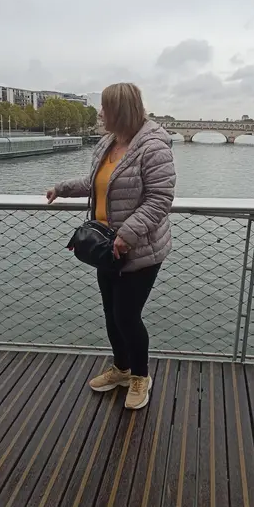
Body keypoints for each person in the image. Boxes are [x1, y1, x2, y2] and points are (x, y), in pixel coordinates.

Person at [47, 82, 176, 410]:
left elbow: (160, 198)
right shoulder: (108, 143)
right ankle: (121, 369)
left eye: (104, 108)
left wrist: (128, 234)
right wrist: (62, 188)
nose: (99, 113)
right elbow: (95, 183)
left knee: (127, 316)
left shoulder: (153, 147)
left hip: (140, 249)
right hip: (106, 246)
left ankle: (140, 376)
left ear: (120, 111)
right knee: (111, 314)